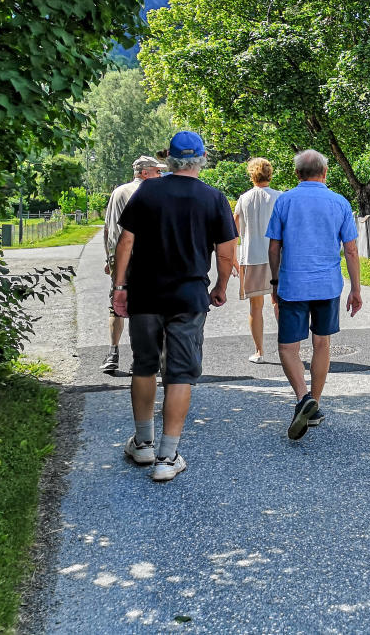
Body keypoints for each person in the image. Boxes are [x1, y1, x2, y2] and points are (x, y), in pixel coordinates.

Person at [111, 131, 237, 481]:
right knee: (180, 373)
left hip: (145, 294)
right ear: (202, 158)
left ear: (169, 159)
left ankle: (143, 443)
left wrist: (119, 287)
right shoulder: (214, 198)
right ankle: (167, 458)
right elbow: (226, 252)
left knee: (144, 365)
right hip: (188, 297)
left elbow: (125, 241)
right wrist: (221, 286)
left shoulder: (147, 190)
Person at [265, 149, 362, 441]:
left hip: (293, 284)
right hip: (327, 286)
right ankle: (314, 404)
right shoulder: (340, 202)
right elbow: (351, 250)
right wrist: (356, 289)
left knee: (288, 348)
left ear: (297, 174)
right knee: (322, 344)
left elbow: (274, 247)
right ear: (325, 172)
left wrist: (274, 281)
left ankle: (302, 397)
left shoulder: (285, 201)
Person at [101, 155, 166, 373]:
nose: (161, 175)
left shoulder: (118, 192)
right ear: (145, 173)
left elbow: (108, 229)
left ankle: (113, 352)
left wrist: (109, 258)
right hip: (145, 258)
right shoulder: (153, 193)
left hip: (117, 258)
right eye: (157, 171)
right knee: (148, 308)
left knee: (116, 305)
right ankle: (143, 357)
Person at [234, 157, 281, 363]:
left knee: (255, 306)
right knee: (279, 303)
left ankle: (259, 352)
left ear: (251, 175)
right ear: (270, 174)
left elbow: (234, 230)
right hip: (276, 257)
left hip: (251, 257)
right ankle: (288, 349)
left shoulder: (244, 199)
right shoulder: (280, 197)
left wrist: (232, 259)